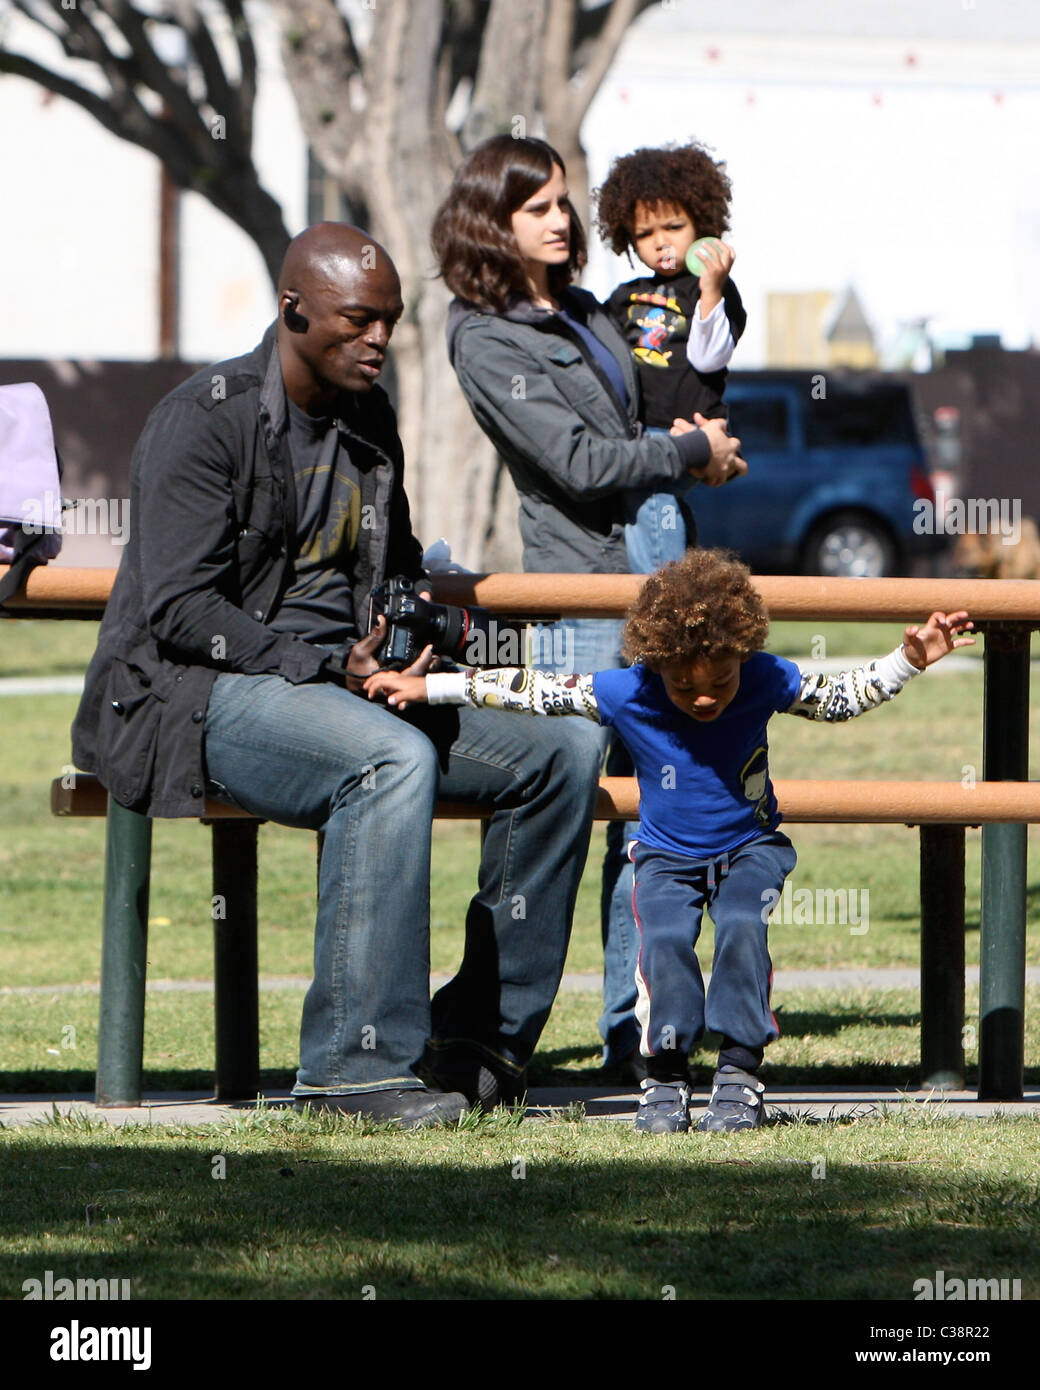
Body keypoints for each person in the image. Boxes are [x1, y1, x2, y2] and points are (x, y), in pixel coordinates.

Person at [71, 222, 601, 1128]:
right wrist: (321, 666)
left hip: (352, 687)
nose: (378, 341)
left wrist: (410, 639)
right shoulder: (204, 420)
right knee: (389, 760)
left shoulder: (369, 423)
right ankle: (354, 1073)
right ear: (292, 312)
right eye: (358, 322)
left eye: (390, 323)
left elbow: (390, 563)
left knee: (564, 748)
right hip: (198, 696)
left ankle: (476, 1043)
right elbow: (180, 613)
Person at [364, 549, 975, 1133]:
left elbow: (838, 698)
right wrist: (431, 689)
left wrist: (908, 659)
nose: (704, 696)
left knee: (742, 927)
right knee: (662, 942)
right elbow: (532, 690)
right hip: (665, 859)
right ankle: (666, 1075)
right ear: (654, 665)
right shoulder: (628, 690)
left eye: (720, 681)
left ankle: (739, 1072)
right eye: (684, 687)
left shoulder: (763, 677)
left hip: (750, 848)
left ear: (743, 654)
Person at [430, 135, 746, 1077]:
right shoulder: (485, 336)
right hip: (580, 595)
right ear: (494, 225)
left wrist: (703, 417)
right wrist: (691, 456)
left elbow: (666, 391)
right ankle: (491, 1028)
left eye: (564, 202)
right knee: (559, 802)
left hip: (661, 576)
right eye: (539, 208)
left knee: (658, 813)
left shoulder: (588, 311)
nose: (561, 221)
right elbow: (574, 464)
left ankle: (639, 1028)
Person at [594, 141, 747, 574]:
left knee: (652, 492)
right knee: (648, 499)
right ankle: (672, 592)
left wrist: (712, 288)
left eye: (674, 226)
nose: (660, 242)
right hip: (639, 435)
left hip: (690, 430)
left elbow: (708, 357)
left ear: (702, 223)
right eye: (644, 234)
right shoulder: (623, 297)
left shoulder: (714, 291)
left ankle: (663, 598)